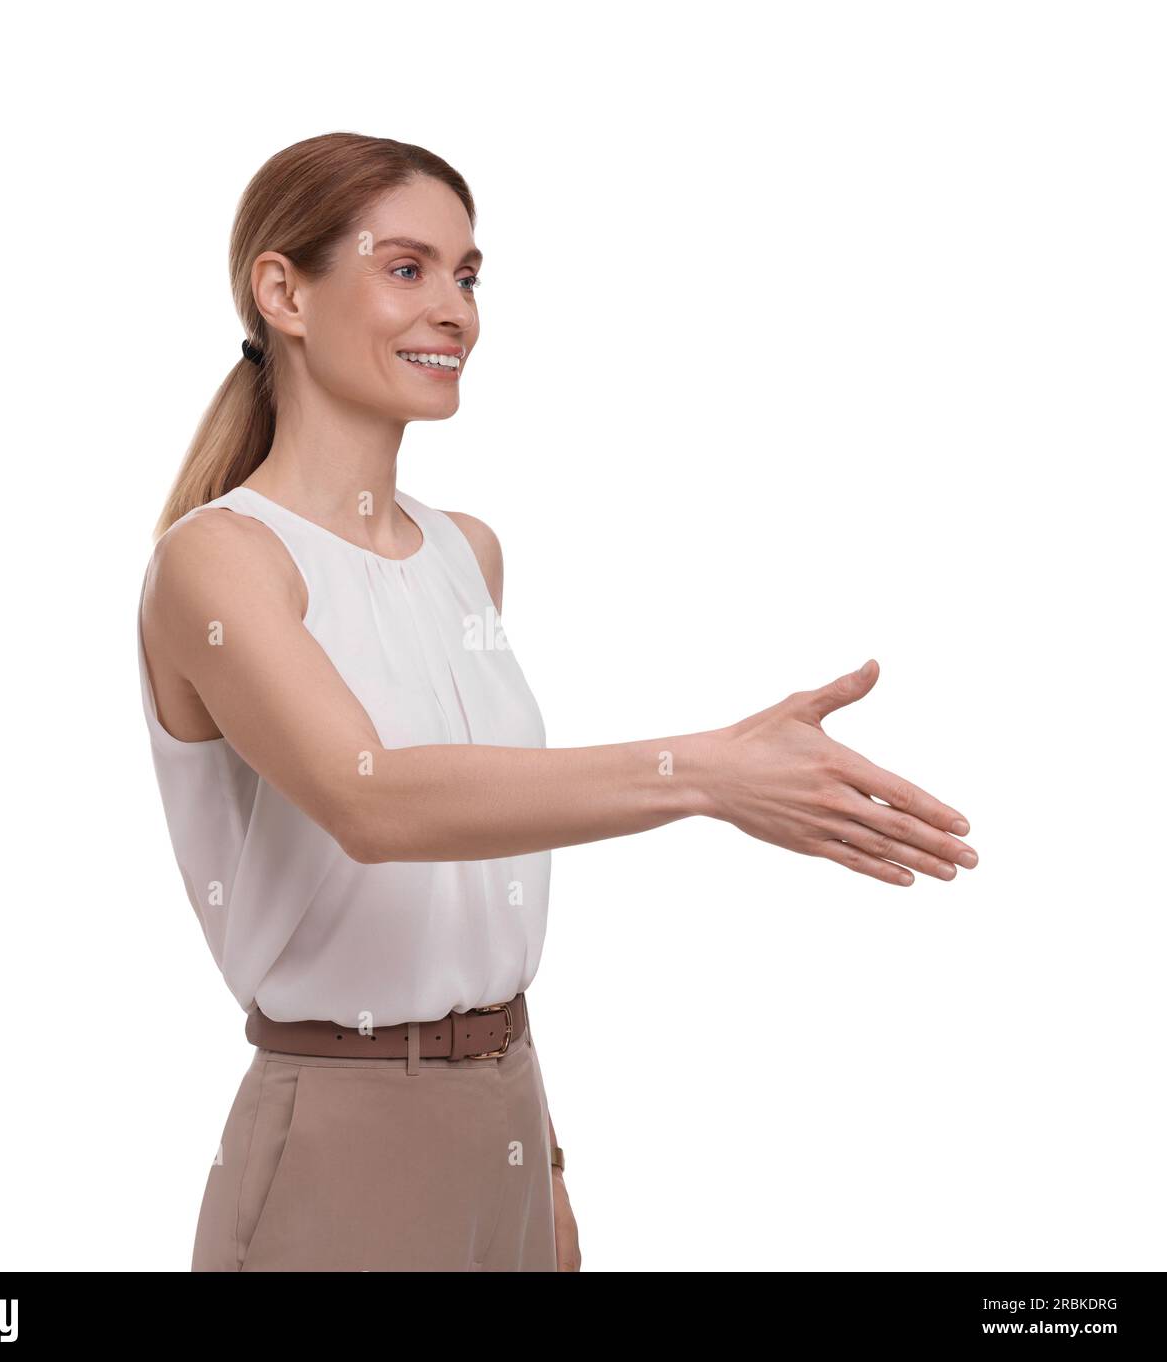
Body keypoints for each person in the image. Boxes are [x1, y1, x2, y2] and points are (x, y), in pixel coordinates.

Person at [136, 132, 978, 1273]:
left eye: (468, 275)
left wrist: (546, 1156)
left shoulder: (465, 554)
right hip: (340, 1130)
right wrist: (707, 775)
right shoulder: (220, 563)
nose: (455, 311)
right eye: (407, 268)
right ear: (282, 290)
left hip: (506, 1106)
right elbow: (373, 803)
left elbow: (475, 878)